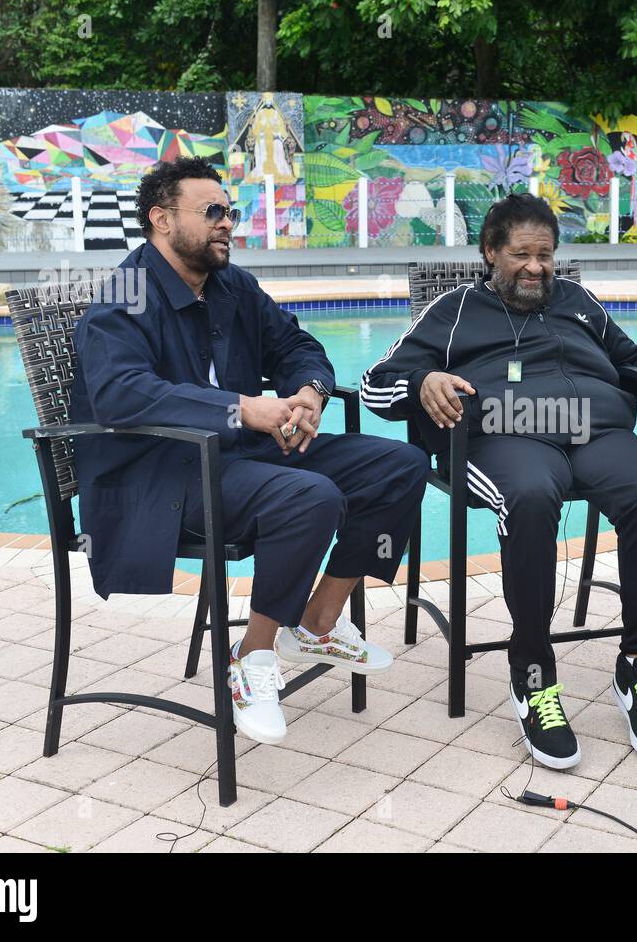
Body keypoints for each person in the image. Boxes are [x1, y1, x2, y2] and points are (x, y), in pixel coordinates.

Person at [70, 156, 430, 746]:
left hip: (241, 456)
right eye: (211, 211)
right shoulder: (124, 298)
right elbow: (119, 393)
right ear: (161, 219)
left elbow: (296, 344)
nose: (227, 223)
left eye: (230, 212)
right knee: (309, 497)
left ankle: (316, 622)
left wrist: (308, 394)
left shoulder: (231, 285)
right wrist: (243, 407)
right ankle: (252, 661)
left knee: (399, 465)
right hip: (163, 478)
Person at [361, 193, 637, 769]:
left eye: (546, 255)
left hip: (593, 431)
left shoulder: (579, 302)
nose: (536, 267)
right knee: (532, 496)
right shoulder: (453, 309)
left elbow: (631, 360)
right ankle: (534, 676)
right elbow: (375, 385)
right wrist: (422, 385)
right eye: (521, 254)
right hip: (499, 436)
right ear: (490, 252)